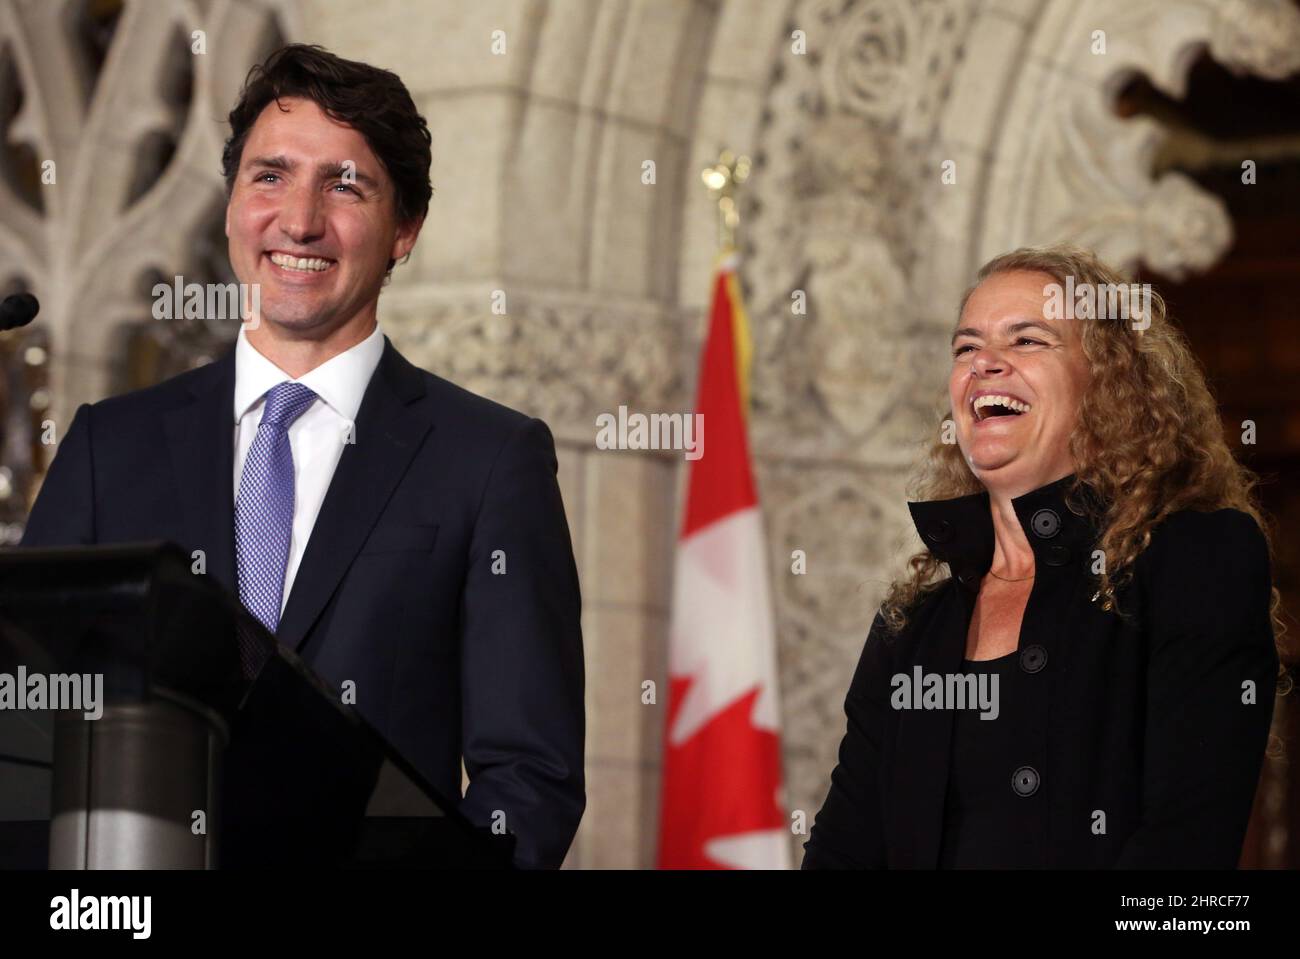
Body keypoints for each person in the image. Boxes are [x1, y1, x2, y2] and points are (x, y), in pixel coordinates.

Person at [21, 44, 584, 870]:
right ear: (228, 206)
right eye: (270, 176)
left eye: (345, 184)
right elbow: (27, 727)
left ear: (405, 229)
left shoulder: (491, 461)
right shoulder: (110, 444)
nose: (299, 220)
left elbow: (529, 781)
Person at [802, 245, 1282, 868]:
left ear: (1110, 382)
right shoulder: (912, 623)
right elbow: (845, 847)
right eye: (966, 348)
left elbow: (1184, 853)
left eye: (1027, 341)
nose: (985, 365)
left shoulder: (1197, 559)